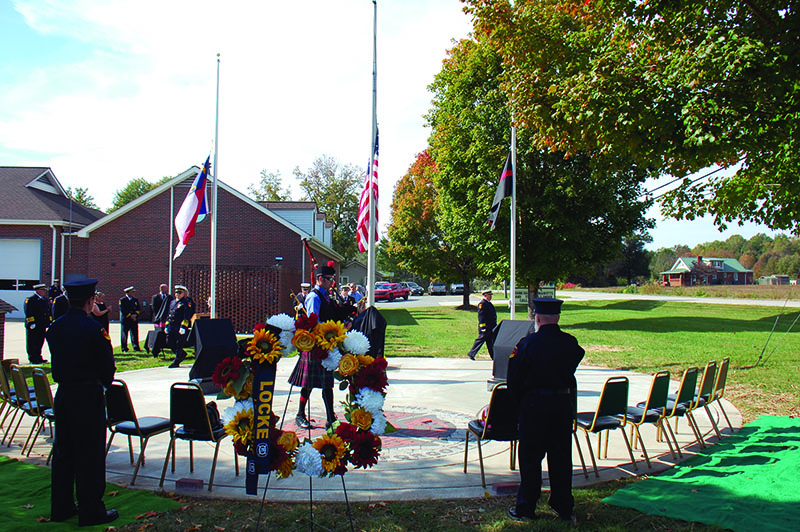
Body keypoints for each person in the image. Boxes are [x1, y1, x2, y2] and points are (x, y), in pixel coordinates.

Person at [46, 278, 118, 526]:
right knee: (89, 454)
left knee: (64, 451)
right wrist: (103, 383)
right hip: (87, 395)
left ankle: (61, 507)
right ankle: (91, 511)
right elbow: (107, 367)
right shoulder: (93, 328)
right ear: (90, 301)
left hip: (64, 393)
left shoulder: (55, 327)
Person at [507, 297, 584, 524]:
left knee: (530, 457)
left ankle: (526, 507)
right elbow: (576, 358)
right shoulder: (570, 343)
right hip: (561, 404)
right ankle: (563, 506)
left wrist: (522, 403)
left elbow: (513, 381)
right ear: (557, 317)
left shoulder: (526, 344)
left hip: (534, 405)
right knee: (561, 456)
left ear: (537, 318)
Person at [289, 263, 339, 429]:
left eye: (332, 279)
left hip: (325, 344)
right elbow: (313, 321)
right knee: (308, 384)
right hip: (314, 345)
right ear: (320, 279)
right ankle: (300, 414)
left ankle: (331, 418)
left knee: (327, 384)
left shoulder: (325, 295)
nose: (331, 282)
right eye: (329, 279)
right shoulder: (314, 297)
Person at [166, 285, 195, 368]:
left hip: (179, 326)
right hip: (172, 326)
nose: (177, 294)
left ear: (183, 293)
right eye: (176, 292)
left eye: (180, 292)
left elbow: (187, 316)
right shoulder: (172, 302)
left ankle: (176, 361)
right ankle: (182, 354)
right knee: (169, 341)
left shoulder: (186, 302)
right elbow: (170, 314)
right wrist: (167, 325)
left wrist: (183, 326)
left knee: (179, 344)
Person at [23, 283, 51, 364]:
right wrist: (31, 322)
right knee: (32, 342)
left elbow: (48, 312)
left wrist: (48, 322)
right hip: (34, 325)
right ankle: (32, 358)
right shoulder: (31, 300)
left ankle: (38, 356)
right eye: (42, 290)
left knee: (39, 342)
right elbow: (28, 312)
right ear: (38, 290)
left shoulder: (44, 300)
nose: (44, 292)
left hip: (42, 325)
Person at [467, 289, 497, 360]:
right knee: (480, 341)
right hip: (486, 328)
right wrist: (483, 327)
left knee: (490, 342)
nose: (490, 297)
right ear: (485, 295)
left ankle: (494, 356)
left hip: (490, 327)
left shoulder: (489, 303)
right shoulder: (482, 304)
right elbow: (481, 317)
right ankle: (471, 353)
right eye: (489, 295)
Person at [119, 286, 141, 352]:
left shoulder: (135, 300)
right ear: (128, 293)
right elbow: (122, 309)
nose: (133, 293)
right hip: (126, 320)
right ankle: (124, 348)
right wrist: (130, 315)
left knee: (135, 333)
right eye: (132, 292)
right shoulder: (122, 300)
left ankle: (136, 346)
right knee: (124, 334)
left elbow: (138, 308)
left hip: (134, 320)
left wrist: (135, 315)